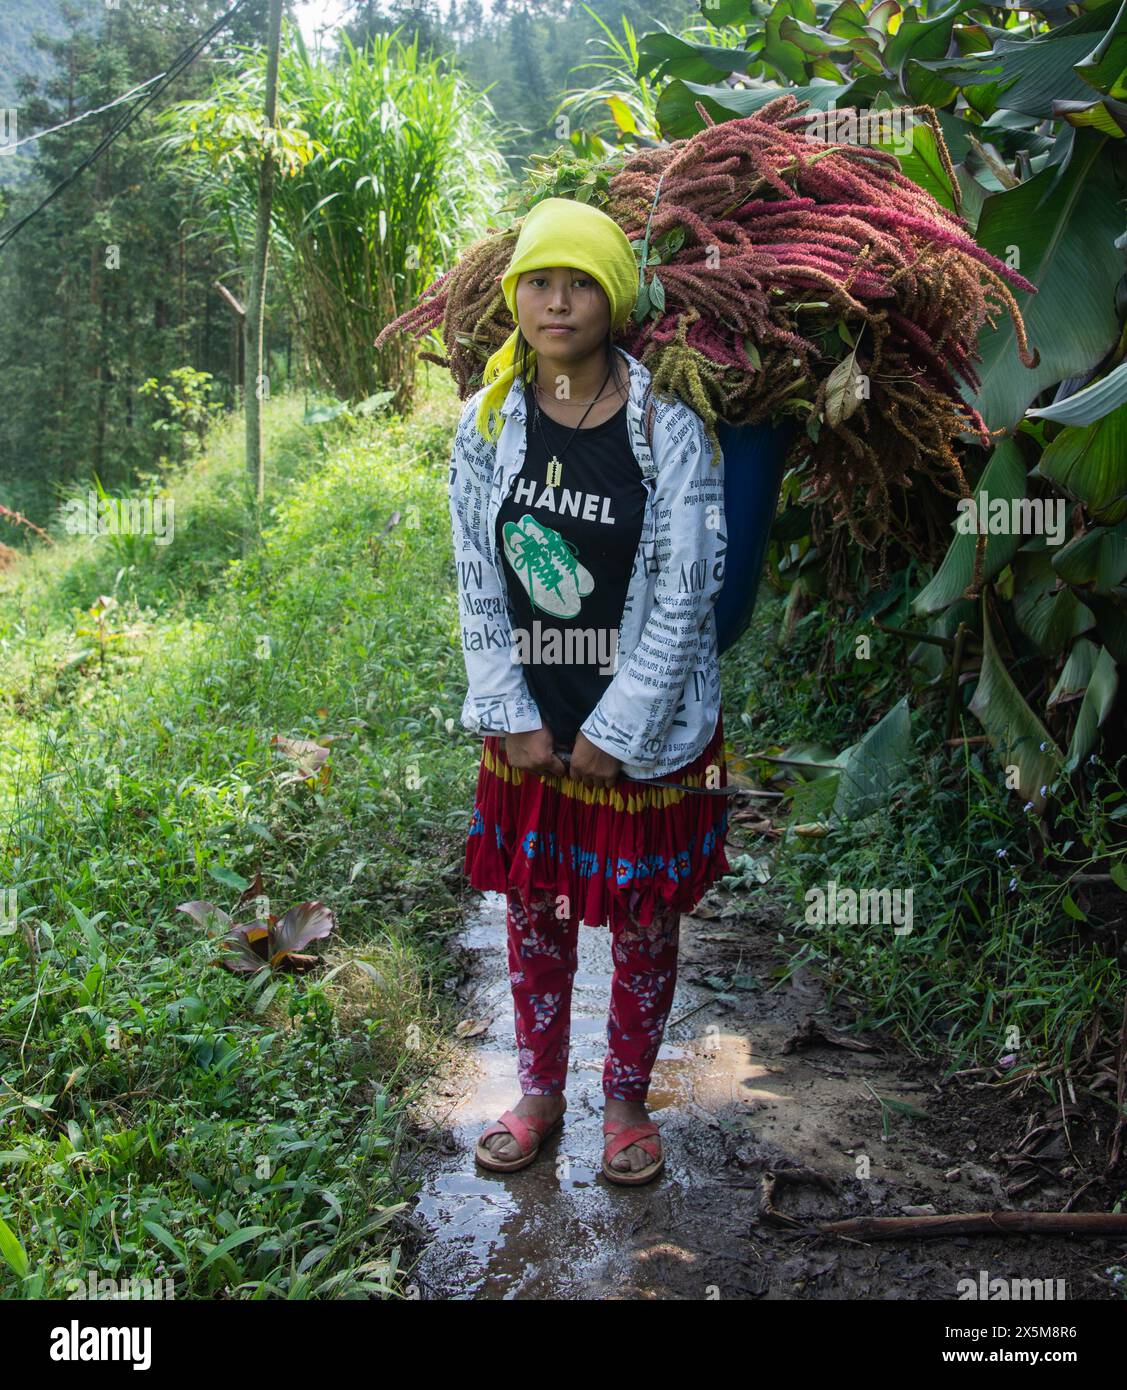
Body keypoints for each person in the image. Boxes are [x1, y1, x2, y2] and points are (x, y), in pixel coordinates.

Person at [448, 196, 730, 1185]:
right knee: (534, 913)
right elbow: (477, 582)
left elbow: (687, 596)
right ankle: (537, 1090)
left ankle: (622, 1098)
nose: (556, 303)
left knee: (645, 918)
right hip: (532, 723)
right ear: (514, 295)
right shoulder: (489, 423)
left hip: (644, 735)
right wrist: (511, 713)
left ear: (614, 301)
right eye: (538, 282)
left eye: (578, 284)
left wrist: (616, 727)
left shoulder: (666, 430)